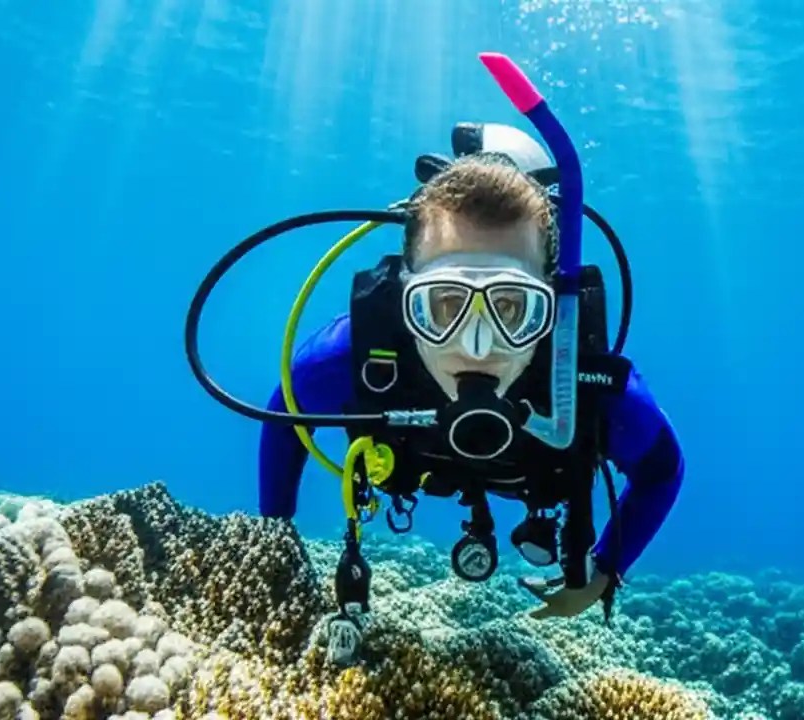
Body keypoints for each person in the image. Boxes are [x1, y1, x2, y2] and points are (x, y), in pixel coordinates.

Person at [251, 121, 686, 662]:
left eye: (511, 306)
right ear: (405, 298)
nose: (478, 348)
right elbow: (284, 410)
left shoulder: (590, 383)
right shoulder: (350, 359)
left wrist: (603, 569)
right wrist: (276, 538)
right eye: (443, 304)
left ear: (552, 303)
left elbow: (662, 470)